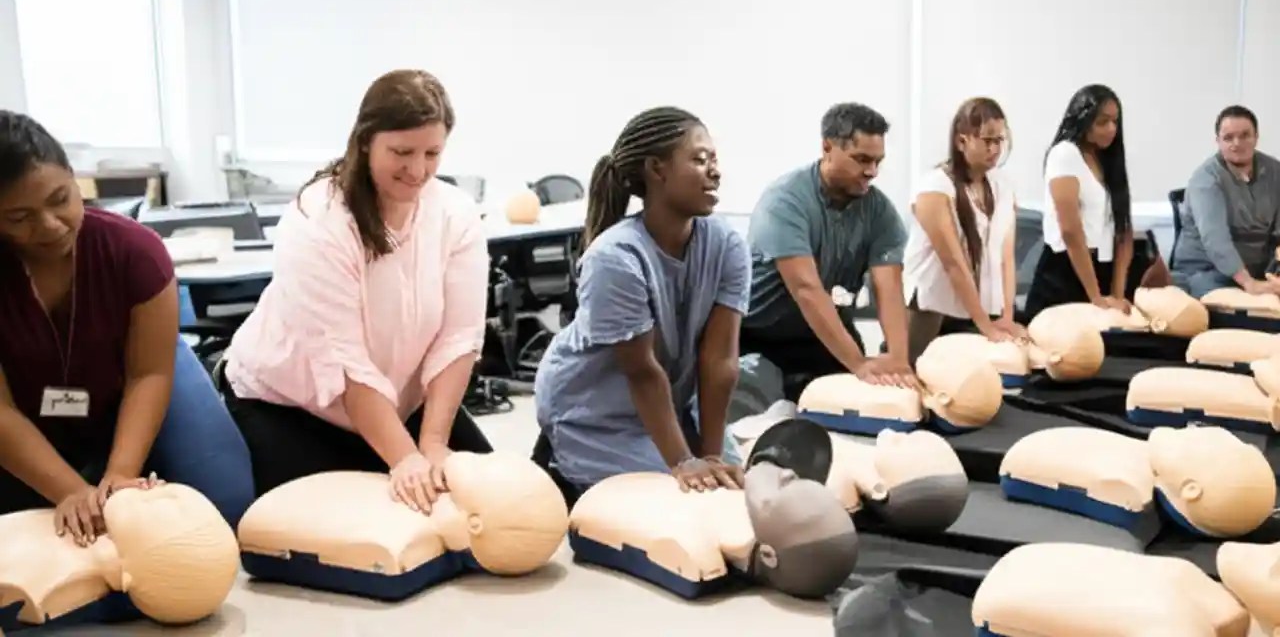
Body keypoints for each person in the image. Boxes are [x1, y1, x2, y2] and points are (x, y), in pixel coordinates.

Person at [219, 69, 493, 515]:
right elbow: (342, 363)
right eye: (401, 152)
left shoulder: (456, 214)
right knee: (364, 522)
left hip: (399, 401)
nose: (418, 170)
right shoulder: (318, 219)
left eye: (432, 153)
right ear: (366, 141)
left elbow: (459, 339)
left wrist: (434, 444)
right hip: (293, 407)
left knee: (485, 508)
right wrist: (404, 459)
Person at [0, 111, 253, 544]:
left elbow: (148, 374)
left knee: (227, 505)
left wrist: (120, 478)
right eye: (20, 217)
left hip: (141, 369)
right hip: (21, 399)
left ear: (74, 181)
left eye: (60, 198)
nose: (49, 226)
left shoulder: (135, 251)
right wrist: (73, 492)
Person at [531, 106, 750, 508]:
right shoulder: (615, 257)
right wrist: (684, 461)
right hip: (595, 415)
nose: (715, 171)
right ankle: (560, 464)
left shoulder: (727, 245)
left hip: (670, 403)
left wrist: (712, 456)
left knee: (734, 489)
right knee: (688, 500)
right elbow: (642, 371)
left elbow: (719, 362)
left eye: (715, 160)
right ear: (656, 169)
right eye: (700, 160)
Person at [740, 102, 917, 397]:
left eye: (877, 161)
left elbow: (889, 287)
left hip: (823, 330)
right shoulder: (785, 201)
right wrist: (859, 364)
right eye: (861, 159)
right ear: (827, 147)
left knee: (866, 397)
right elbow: (807, 289)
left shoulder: (879, 210)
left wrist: (899, 359)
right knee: (760, 408)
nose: (872, 171)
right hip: (757, 334)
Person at [903, 98, 1024, 364]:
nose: (994, 149)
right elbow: (953, 263)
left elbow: (1006, 257)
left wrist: (1006, 316)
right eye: (986, 140)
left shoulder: (1003, 186)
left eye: (999, 141)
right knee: (915, 374)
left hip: (975, 306)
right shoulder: (934, 187)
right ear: (962, 141)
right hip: (929, 306)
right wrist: (986, 326)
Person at [1024, 85, 1143, 320]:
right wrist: (1095, 297)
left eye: (1115, 122)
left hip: (1102, 268)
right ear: (1082, 120)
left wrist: (1117, 294)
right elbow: (1070, 231)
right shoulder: (1065, 154)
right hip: (1066, 271)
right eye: (1102, 122)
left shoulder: (1108, 160)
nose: (1111, 129)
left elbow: (1123, 229)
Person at [1171, 105, 1280, 297]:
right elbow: (1216, 241)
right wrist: (1250, 284)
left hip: (1259, 271)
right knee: (1252, 311)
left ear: (1256, 137)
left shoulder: (1275, 171)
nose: (1237, 143)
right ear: (1218, 141)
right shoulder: (1205, 180)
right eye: (1228, 137)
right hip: (1209, 272)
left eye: (1245, 135)